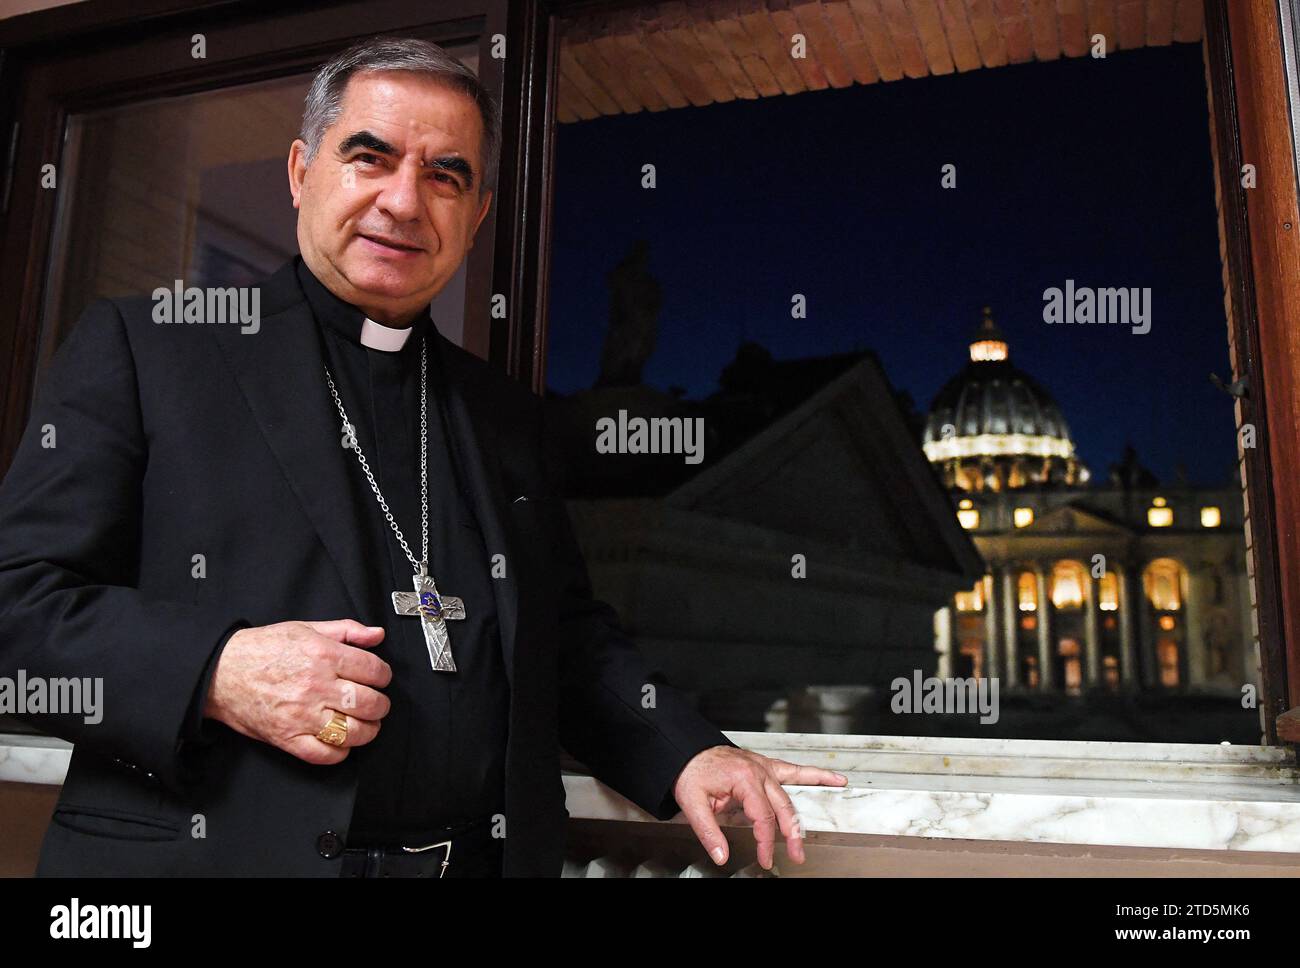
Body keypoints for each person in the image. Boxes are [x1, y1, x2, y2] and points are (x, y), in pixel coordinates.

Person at [0, 35, 845, 877]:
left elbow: (565, 637)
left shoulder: (506, 416)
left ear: (475, 216)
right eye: (370, 158)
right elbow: (16, 603)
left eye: (445, 175)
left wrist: (686, 753)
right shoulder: (150, 351)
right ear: (302, 171)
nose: (404, 202)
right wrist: (216, 672)